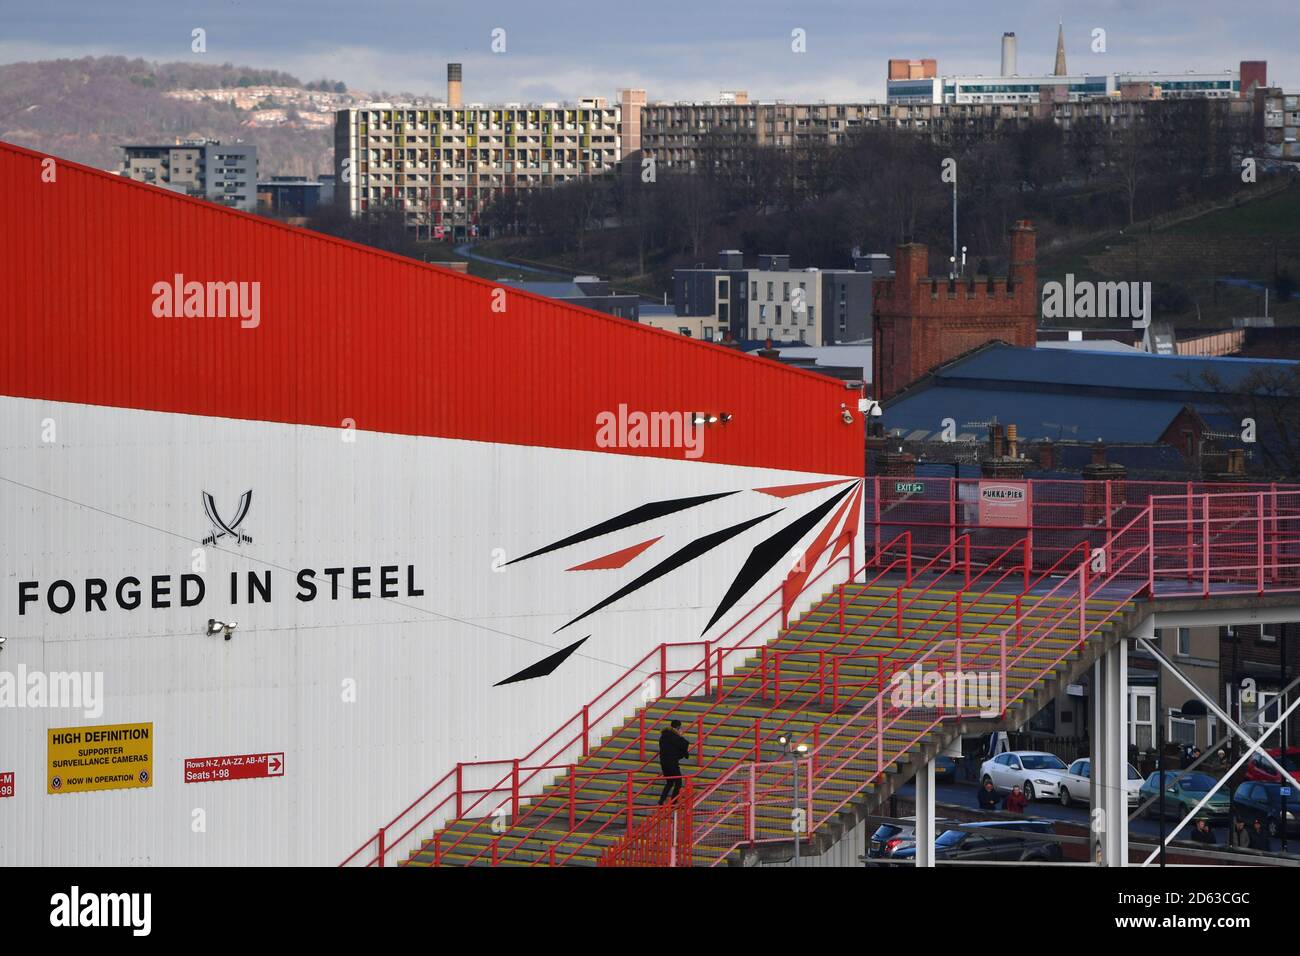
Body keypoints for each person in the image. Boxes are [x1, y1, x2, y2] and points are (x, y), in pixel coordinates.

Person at [657, 719, 690, 805]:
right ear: (678, 727)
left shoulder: (663, 736)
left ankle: (661, 800)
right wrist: (680, 736)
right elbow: (684, 744)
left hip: (663, 762)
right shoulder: (675, 737)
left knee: (669, 782)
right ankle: (673, 802)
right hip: (672, 763)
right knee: (678, 782)